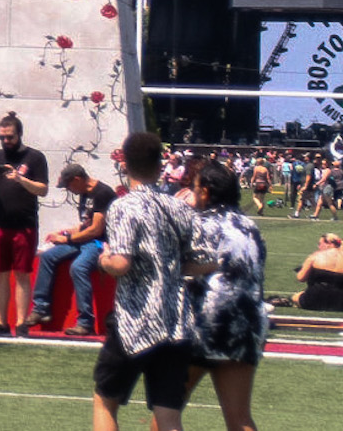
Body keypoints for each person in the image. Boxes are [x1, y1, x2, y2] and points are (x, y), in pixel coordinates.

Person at [93, 130, 204, 431]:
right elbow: (201, 262)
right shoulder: (180, 207)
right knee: (169, 414)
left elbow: (122, 263)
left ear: (125, 164)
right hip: (176, 320)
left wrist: (103, 260)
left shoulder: (123, 207)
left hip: (135, 318)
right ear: (160, 166)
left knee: (105, 401)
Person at [183, 159, 266, 431]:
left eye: (195, 188)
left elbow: (181, 267)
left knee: (166, 415)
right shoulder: (250, 226)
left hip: (204, 324)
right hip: (247, 324)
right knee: (240, 418)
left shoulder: (200, 224)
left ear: (205, 191)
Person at [0, 111, 49, 338]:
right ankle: (0, 322)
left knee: (22, 274)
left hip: (25, 225)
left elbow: (43, 190)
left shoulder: (35, 158)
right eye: (2, 138)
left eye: (10, 137)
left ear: (19, 135)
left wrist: (20, 179)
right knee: (0, 273)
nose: (6, 141)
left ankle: (21, 323)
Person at [30, 162, 117, 335]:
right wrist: (63, 233)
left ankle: (85, 322)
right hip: (85, 240)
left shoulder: (102, 193)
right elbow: (85, 225)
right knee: (48, 257)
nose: (69, 190)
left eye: (69, 186)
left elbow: (96, 230)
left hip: (100, 243)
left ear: (77, 180)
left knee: (78, 267)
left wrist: (66, 238)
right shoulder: (84, 194)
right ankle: (41, 308)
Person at [285, 232, 343, 310]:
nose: (319, 247)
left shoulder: (315, 256)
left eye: (320, 244)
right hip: (340, 302)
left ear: (328, 244)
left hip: (314, 299)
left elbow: (301, 278)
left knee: (296, 297)